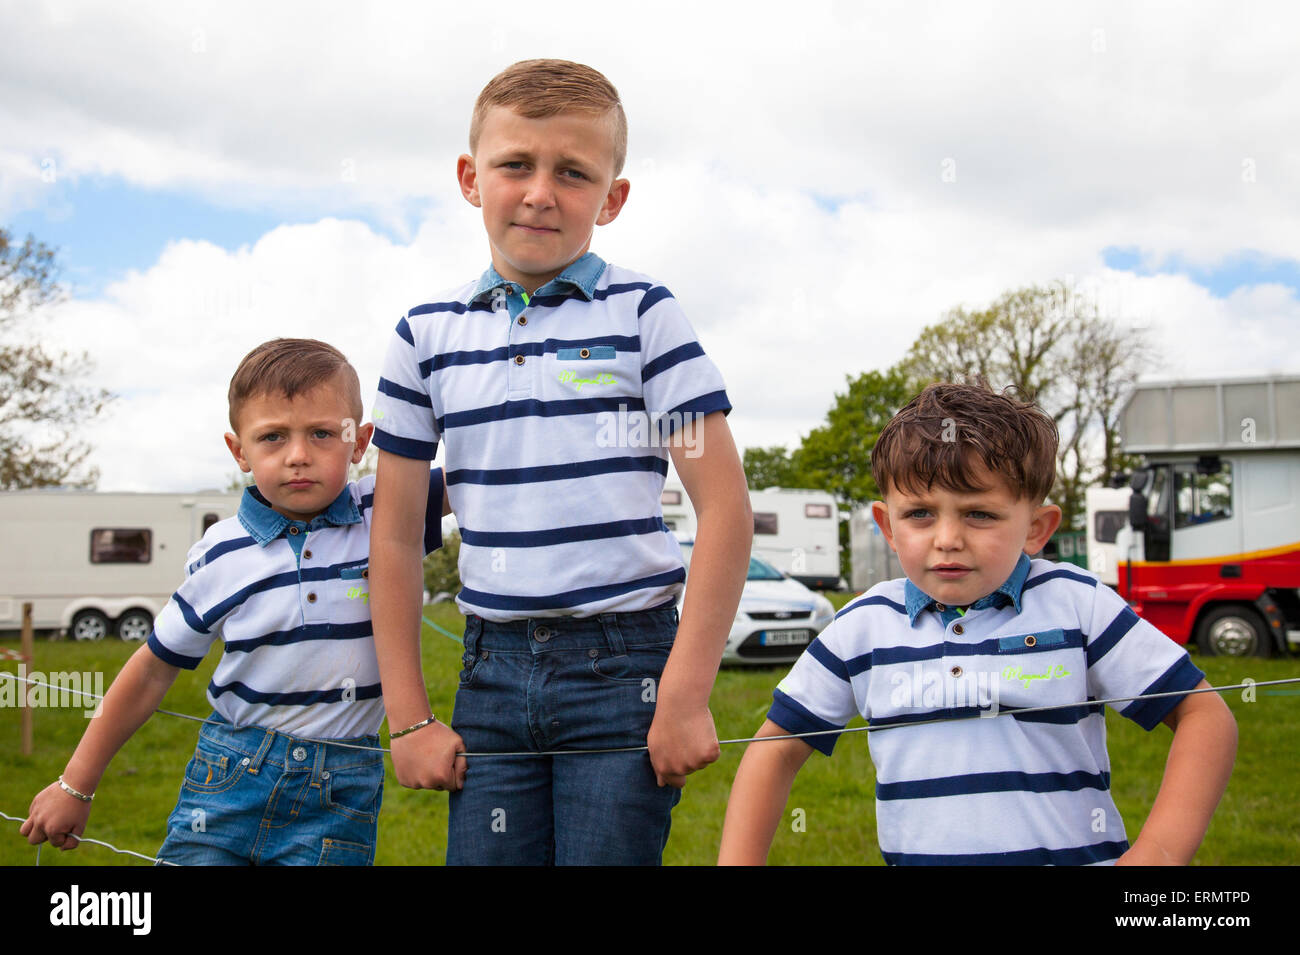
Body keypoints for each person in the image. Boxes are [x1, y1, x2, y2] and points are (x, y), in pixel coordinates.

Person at [369, 58, 752, 865]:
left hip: (625, 669)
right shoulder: (423, 337)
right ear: (473, 178)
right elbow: (398, 536)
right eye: (516, 164)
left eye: (572, 172)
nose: (541, 191)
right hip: (491, 670)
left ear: (611, 197)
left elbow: (724, 509)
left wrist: (683, 695)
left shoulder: (645, 314)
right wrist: (408, 716)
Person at [718, 381, 1237, 865]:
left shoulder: (1078, 605)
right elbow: (774, 751)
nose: (947, 538)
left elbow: (1206, 720)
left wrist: (1159, 856)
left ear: (1037, 528)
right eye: (919, 514)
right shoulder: (862, 628)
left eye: (980, 514)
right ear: (887, 527)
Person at [22, 338, 444, 865]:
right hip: (230, 775)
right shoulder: (221, 553)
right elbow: (152, 671)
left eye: (321, 433)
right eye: (272, 437)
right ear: (239, 451)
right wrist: (76, 785)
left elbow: (486, 480)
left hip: (341, 790)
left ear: (359, 442)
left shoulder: (385, 508)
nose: (298, 455)